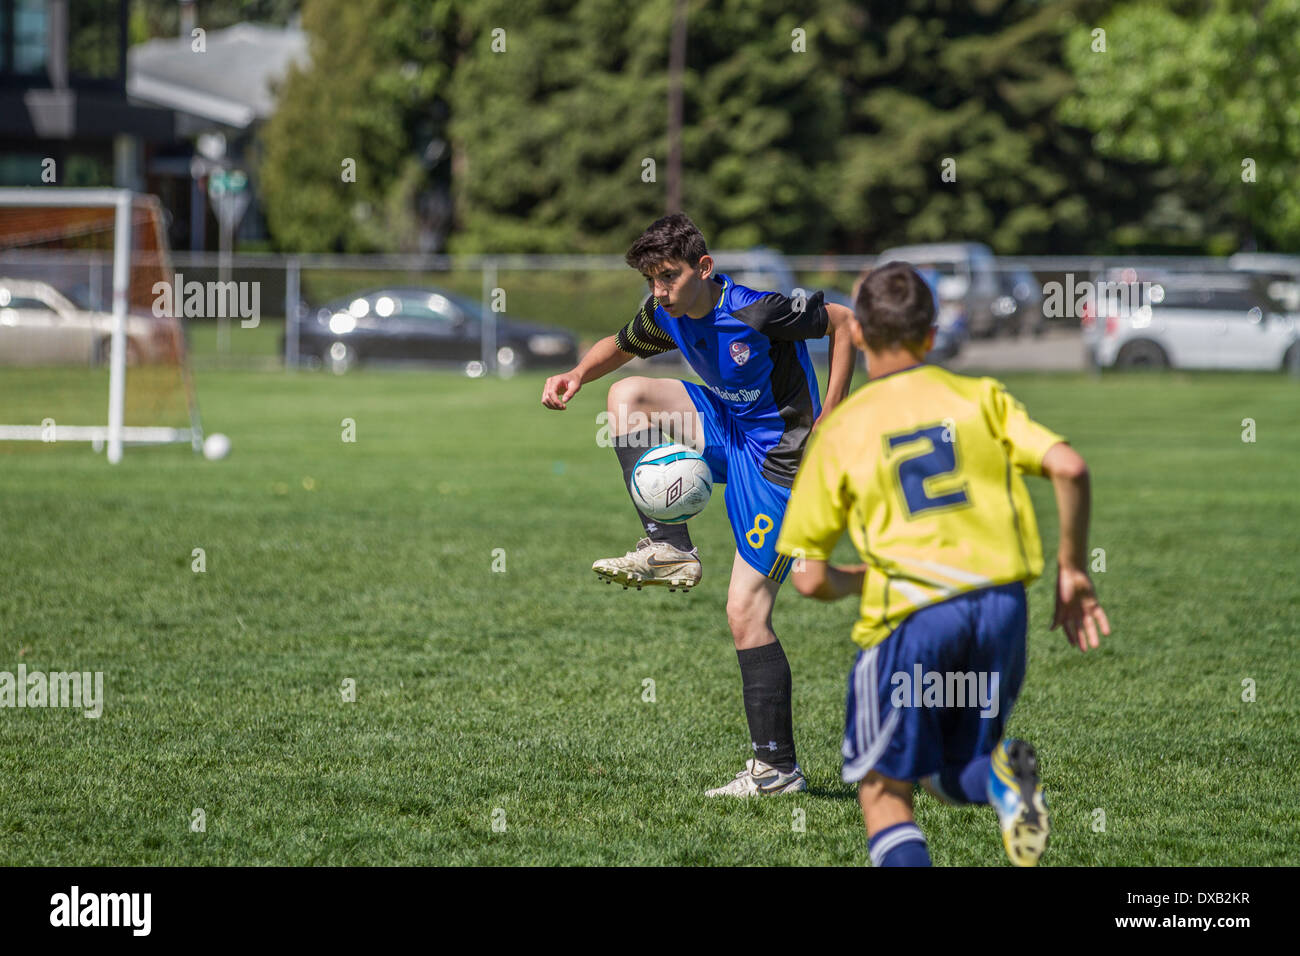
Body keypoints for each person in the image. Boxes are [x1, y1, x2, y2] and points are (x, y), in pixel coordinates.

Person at [775, 261, 1109, 863]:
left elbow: (809, 579)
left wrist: (859, 581)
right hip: (1001, 608)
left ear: (860, 336)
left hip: (914, 616)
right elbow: (1071, 467)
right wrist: (1072, 569)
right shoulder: (981, 397)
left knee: (882, 789)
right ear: (932, 334)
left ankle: (1000, 782)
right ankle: (1004, 781)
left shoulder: (843, 430)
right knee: (952, 770)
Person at [541, 213, 858, 796]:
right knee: (626, 395)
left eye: (668, 277)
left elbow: (843, 321)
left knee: (745, 612)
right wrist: (576, 374)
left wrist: (833, 404)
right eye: (651, 281)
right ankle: (669, 544)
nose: (658, 291)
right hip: (727, 425)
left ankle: (776, 772)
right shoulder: (667, 312)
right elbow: (619, 346)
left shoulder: (756, 309)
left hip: (782, 461)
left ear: (704, 269)